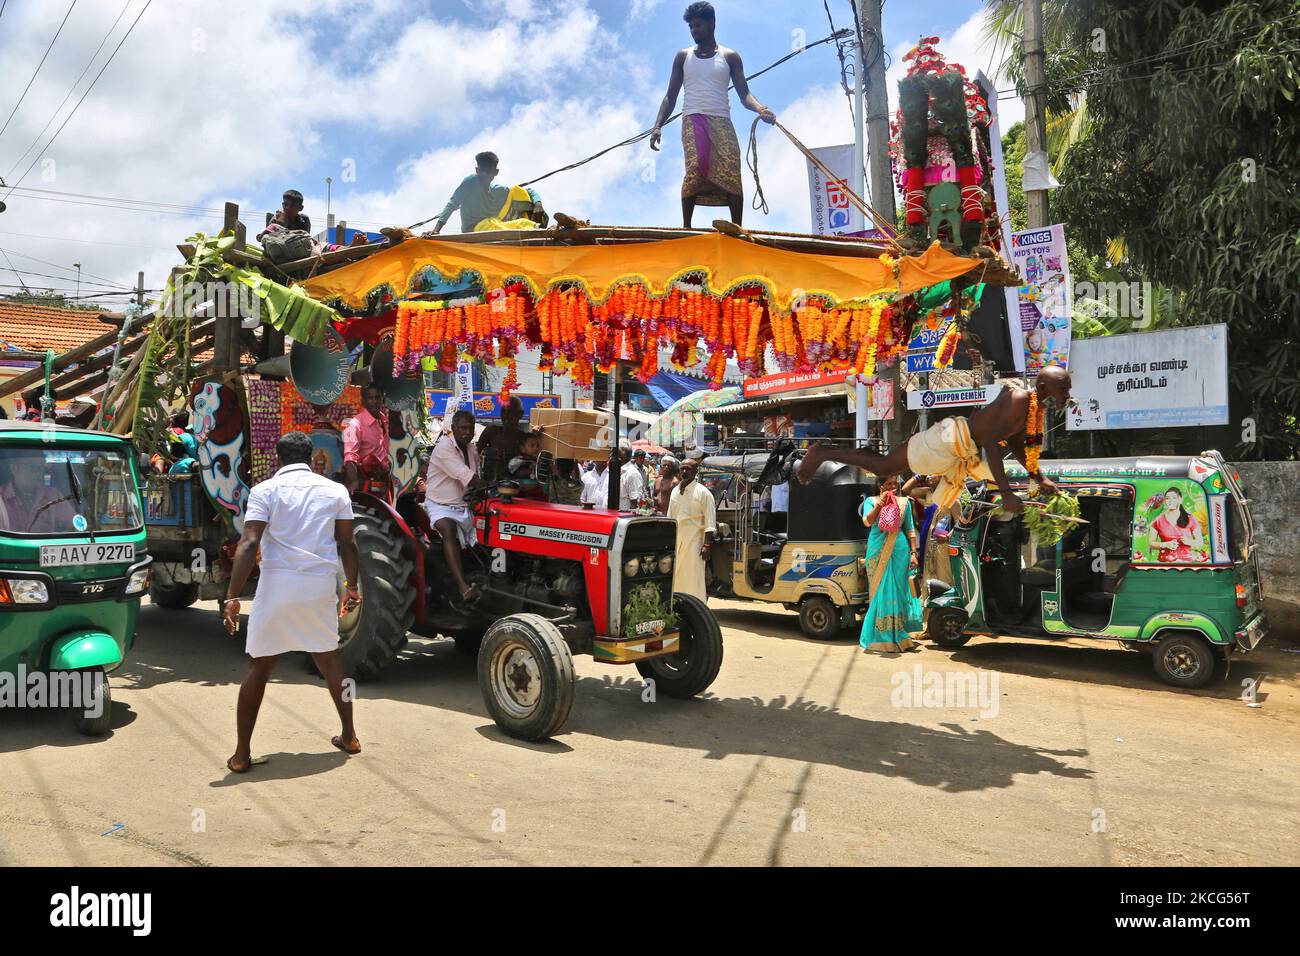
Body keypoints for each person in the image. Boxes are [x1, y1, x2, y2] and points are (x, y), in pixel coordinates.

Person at [222, 431, 361, 774]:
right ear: (313, 458)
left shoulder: (264, 491)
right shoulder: (335, 490)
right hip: (319, 587)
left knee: (259, 667)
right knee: (329, 661)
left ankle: (241, 755)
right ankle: (350, 736)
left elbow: (248, 543)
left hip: (277, 589)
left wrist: (232, 596)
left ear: (277, 459)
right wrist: (352, 586)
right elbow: (348, 545)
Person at [798, 365, 1073, 514]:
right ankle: (822, 452)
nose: (1066, 396)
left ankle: (832, 452)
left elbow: (1015, 444)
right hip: (951, 440)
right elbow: (991, 442)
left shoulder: (1033, 410)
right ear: (1041, 388)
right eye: (1062, 390)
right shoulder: (1018, 400)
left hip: (960, 450)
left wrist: (1040, 478)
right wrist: (1005, 492)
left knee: (884, 465)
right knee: (883, 467)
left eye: (1067, 390)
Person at [649, 2, 776, 227]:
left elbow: (744, 94)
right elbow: (670, 96)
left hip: (722, 120)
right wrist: (658, 125)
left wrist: (760, 109)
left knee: (731, 167)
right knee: (696, 167)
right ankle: (686, 226)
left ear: (712, 23)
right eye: (691, 26)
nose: (693, 30)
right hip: (693, 118)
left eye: (697, 25)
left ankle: (737, 227)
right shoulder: (683, 57)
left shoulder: (730, 57)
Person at [858, 474, 923, 653]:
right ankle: (881, 637)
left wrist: (913, 553)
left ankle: (900, 635)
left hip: (900, 551)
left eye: (895, 483)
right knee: (881, 590)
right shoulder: (871, 501)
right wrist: (881, 503)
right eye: (889, 483)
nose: (893, 486)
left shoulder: (904, 502)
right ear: (880, 485)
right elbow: (867, 521)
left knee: (900, 591)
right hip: (878, 550)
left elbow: (909, 528)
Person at [424, 409, 482, 604]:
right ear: (453, 429)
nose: (467, 432)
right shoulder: (444, 448)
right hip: (440, 505)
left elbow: (476, 477)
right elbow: (466, 476)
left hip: (464, 505)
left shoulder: (472, 449)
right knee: (448, 530)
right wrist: (490, 485)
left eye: (470, 428)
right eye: (463, 428)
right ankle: (462, 586)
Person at [667, 456, 716, 602]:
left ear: (696, 471)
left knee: (693, 577)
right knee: (677, 576)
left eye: (688, 469)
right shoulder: (675, 491)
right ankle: (678, 608)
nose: (684, 471)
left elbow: (710, 522)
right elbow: (670, 518)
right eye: (682, 468)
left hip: (695, 542)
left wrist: (707, 545)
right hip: (677, 541)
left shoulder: (704, 493)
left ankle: (697, 608)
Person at [427, 151, 510, 235]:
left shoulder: (500, 190)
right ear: (477, 170)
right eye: (482, 170)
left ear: (496, 172)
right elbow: (452, 203)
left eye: (488, 171)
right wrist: (436, 229)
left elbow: (513, 194)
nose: (485, 174)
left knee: (522, 222)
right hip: (473, 229)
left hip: (492, 226)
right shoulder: (472, 181)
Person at [342, 384, 390, 493]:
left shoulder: (385, 421)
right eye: (370, 398)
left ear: (382, 399)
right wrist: (354, 482)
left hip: (383, 482)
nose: (374, 401)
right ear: (363, 401)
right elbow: (349, 457)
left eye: (377, 397)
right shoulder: (354, 425)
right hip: (365, 483)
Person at [1148, 486, 1205, 563]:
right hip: (1164, 563)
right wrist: (1165, 545)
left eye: (1174, 498)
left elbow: (1200, 543)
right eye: (1167, 498)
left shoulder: (1190, 519)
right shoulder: (1158, 520)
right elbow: (1151, 543)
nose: (1170, 501)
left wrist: (1189, 542)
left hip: (1186, 564)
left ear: (1180, 500)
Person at [476, 396, 526, 484]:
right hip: (491, 486)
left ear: (520, 414)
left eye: (510, 412)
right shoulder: (491, 431)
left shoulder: (525, 438)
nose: (506, 415)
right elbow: (476, 454)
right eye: (503, 411)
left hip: (517, 488)